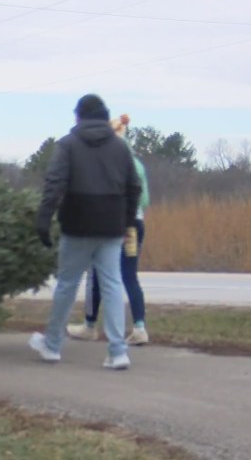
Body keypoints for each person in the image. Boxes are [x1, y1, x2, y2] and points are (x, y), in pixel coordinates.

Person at [29, 94, 141, 370]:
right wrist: (127, 221)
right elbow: (134, 187)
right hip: (112, 224)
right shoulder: (120, 147)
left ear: (79, 116)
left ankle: (52, 345)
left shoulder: (68, 145)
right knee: (112, 284)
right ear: (105, 116)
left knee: (67, 284)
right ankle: (118, 351)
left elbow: (54, 183)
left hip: (77, 223)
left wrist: (44, 218)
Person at [67, 114, 151, 345]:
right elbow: (144, 200)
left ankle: (90, 325)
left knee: (96, 273)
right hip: (135, 225)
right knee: (129, 276)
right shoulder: (137, 165)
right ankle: (139, 327)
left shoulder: (108, 163)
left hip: (110, 226)